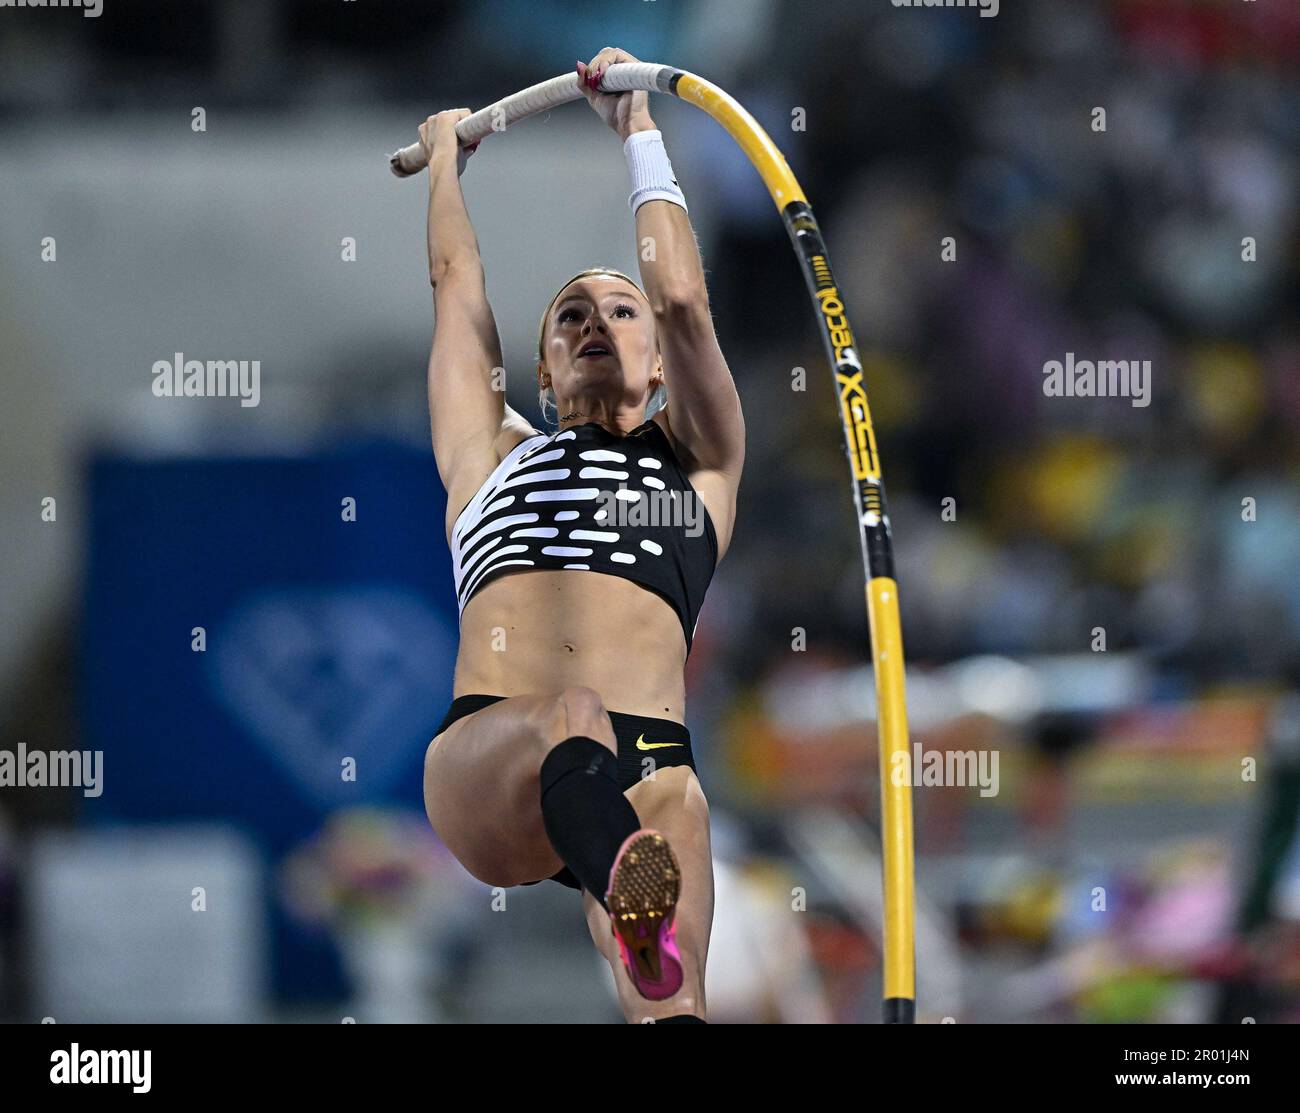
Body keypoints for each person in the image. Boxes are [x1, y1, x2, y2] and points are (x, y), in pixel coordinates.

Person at [418, 46, 745, 1023]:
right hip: (498, 757)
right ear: (544, 375)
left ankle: (642, 931)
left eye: (618, 310)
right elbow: (454, 284)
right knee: (572, 713)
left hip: (648, 771)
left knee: (675, 986)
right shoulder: (489, 454)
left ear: (655, 370)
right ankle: (625, 888)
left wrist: (639, 130)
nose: (596, 320)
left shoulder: (698, 462)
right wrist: (446, 160)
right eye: (570, 315)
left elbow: (683, 298)